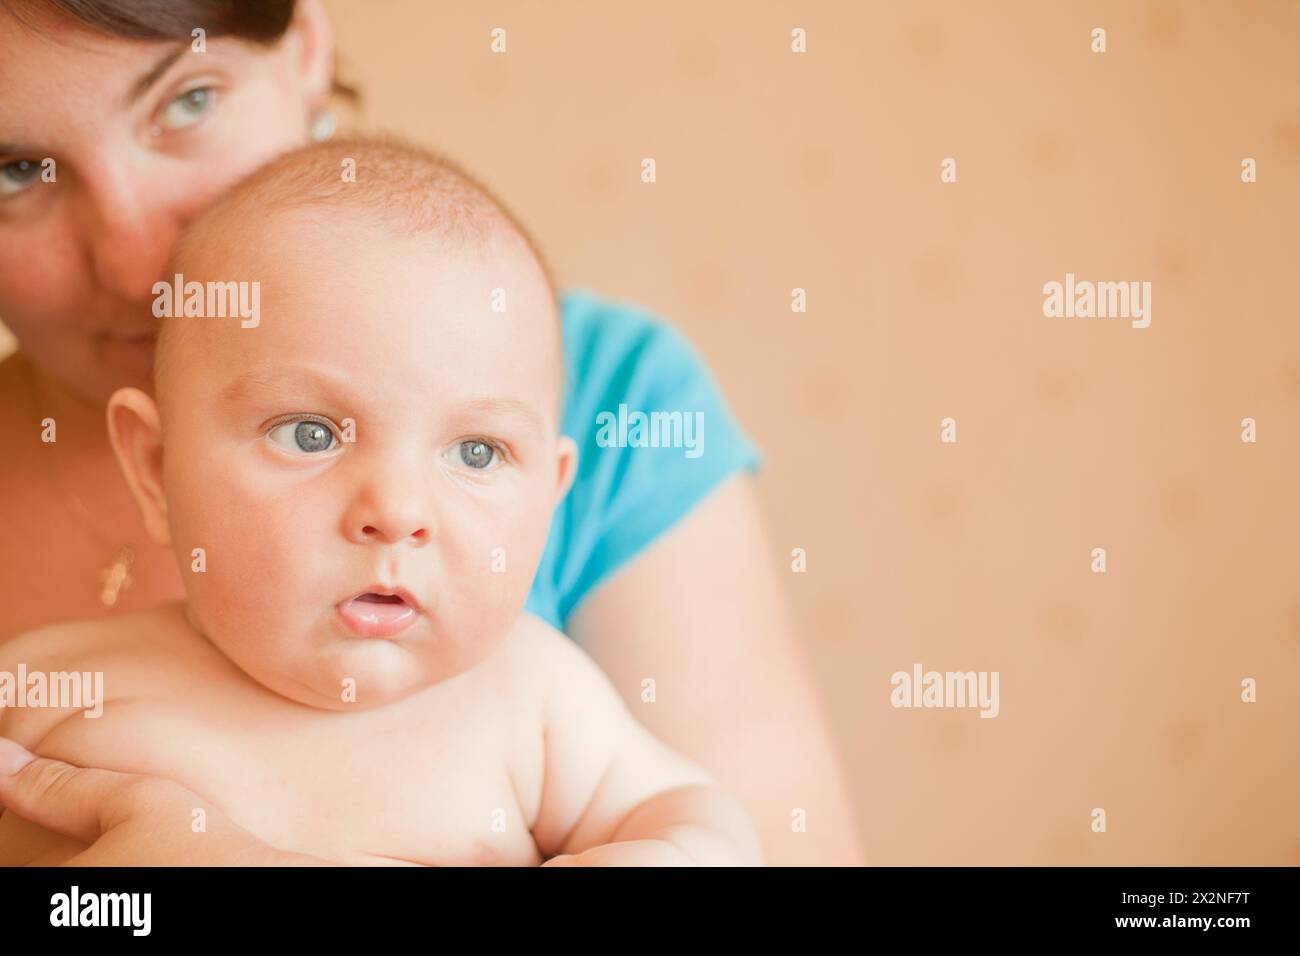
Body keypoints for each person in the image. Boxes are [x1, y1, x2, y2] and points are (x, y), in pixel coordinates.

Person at [0, 0, 862, 864]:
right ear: (154, 466)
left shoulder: (533, 700)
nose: (133, 257)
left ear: (304, 49)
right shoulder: (49, 694)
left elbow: (700, 826)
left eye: (188, 102)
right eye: (13, 169)